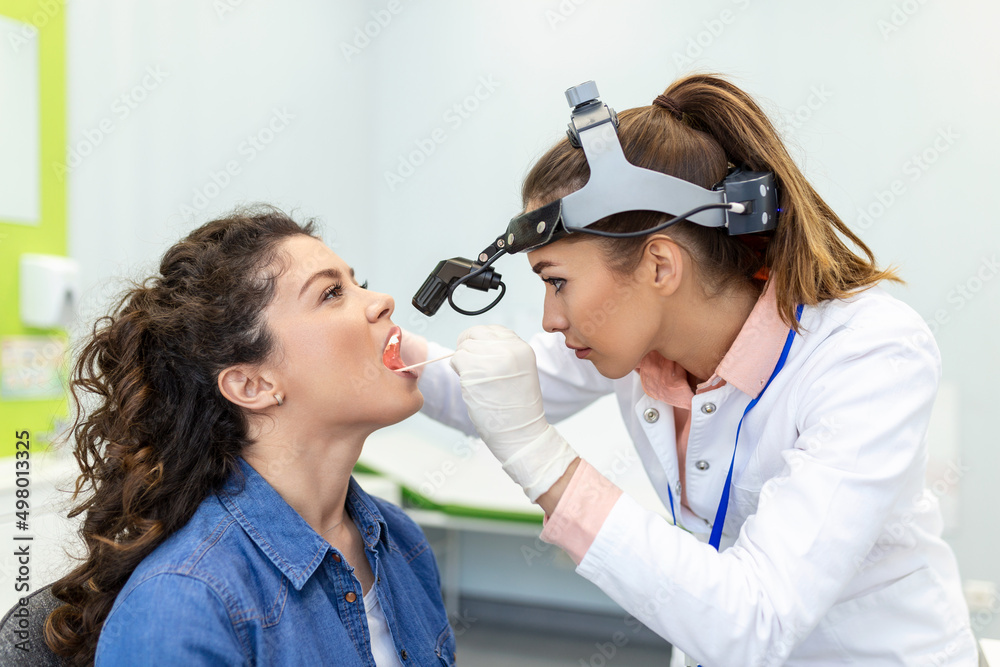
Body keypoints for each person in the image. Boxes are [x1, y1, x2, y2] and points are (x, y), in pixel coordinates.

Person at [406, 75, 977, 665]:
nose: (550, 319)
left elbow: (758, 618)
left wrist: (540, 460)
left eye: (558, 282)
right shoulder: (632, 341)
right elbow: (482, 398)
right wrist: (375, 338)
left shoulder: (867, 355)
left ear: (658, 265)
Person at [44, 207, 456, 666]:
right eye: (332, 293)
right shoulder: (184, 603)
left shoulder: (401, 540)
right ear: (252, 385)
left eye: (357, 282)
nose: (381, 301)